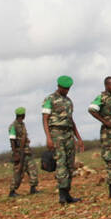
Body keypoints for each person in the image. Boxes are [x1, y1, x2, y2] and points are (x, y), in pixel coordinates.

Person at [42, 76, 84, 204]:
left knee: (69, 164)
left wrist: (79, 138)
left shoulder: (68, 101)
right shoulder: (50, 99)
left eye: (68, 89)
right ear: (58, 86)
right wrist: (48, 138)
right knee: (61, 163)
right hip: (56, 134)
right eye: (64, 88)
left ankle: (67, 194)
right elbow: (45, 119)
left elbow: (71, 120)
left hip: (68, 134)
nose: (66, 91)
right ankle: (62, 195)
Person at [8, 107, 40, 197]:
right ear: (22, 115)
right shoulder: (13, 126)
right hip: (19, 153)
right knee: (18, 172)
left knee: (33, 169)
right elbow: (12, 140)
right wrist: (15, 153)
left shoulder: (22, 124)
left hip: (27, 152)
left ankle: (33, 188)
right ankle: (12, 191)